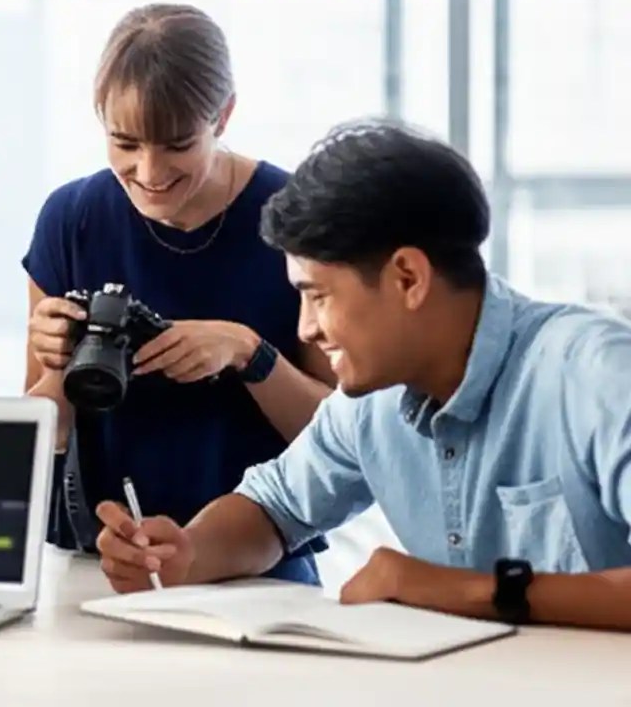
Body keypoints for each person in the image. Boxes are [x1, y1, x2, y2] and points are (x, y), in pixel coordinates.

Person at [93, 120, 631, 630]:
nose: (305, 330)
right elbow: (271, 509)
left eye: (318, 296)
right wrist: (184, 555)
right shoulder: (370, 399)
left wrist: (455, 589)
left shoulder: (594, 374)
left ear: (407, 277)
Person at [22, 4, 336, 585]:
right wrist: (54, 368)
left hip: (262, 563)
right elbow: (48, 434)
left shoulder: (296, 219)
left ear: (224, 115)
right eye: (124, 143)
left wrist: (249, 353)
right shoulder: (72, 219)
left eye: (177, 145)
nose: (148, 170)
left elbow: (341, 435)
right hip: (111, 557)